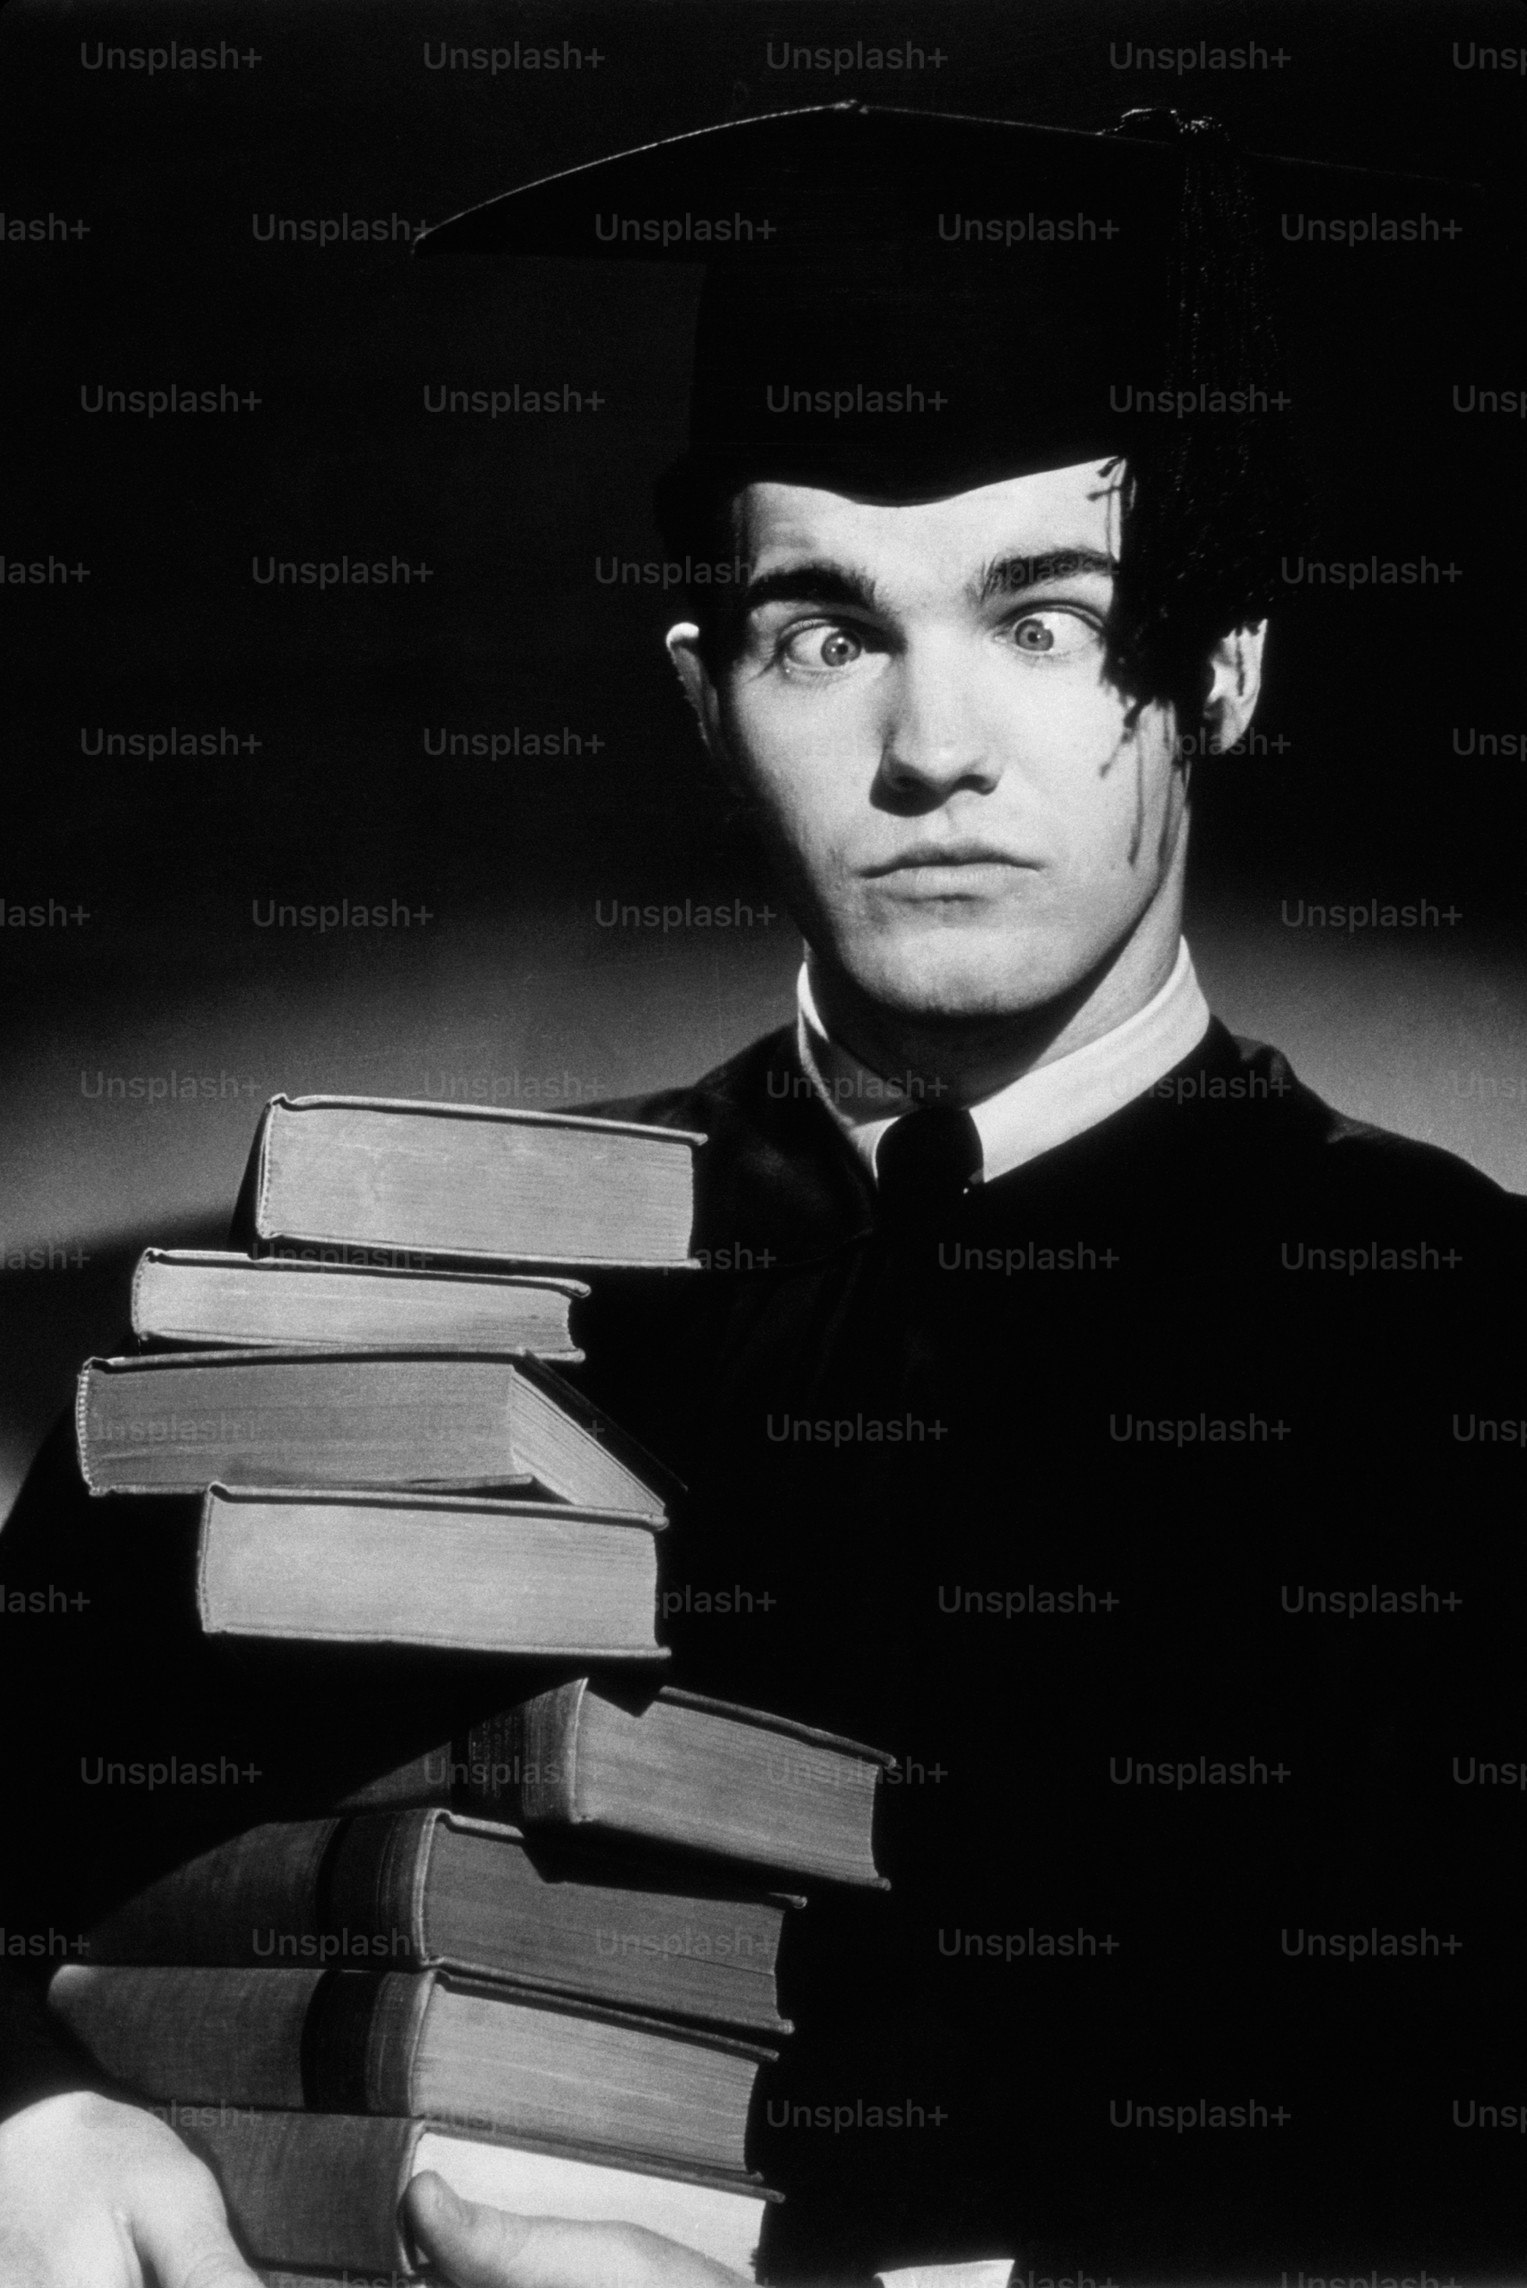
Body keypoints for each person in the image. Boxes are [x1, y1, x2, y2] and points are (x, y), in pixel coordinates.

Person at [1, 103, 1521, 2288]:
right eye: (821, 632)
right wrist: (25, 2119)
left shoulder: (1453, 1332)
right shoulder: (426, 1277)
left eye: (1047, 619)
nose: (931, 744)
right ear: (702, 701)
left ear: (1220, 671)